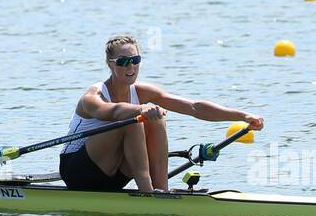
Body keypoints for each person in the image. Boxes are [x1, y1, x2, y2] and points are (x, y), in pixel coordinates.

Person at [59, 35, 265, 193]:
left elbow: (194, 107)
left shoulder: (143, 92)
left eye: (135, 60)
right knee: (132, 120)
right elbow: (111, 111)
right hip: (78, 171)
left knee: (156, 120)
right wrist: (140, 109)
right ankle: (147, 193)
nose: (130, 66)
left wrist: (242, 116)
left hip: (114, 175)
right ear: (110, 64)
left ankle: (161, 190)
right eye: (123, 62)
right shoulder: (93, 95)